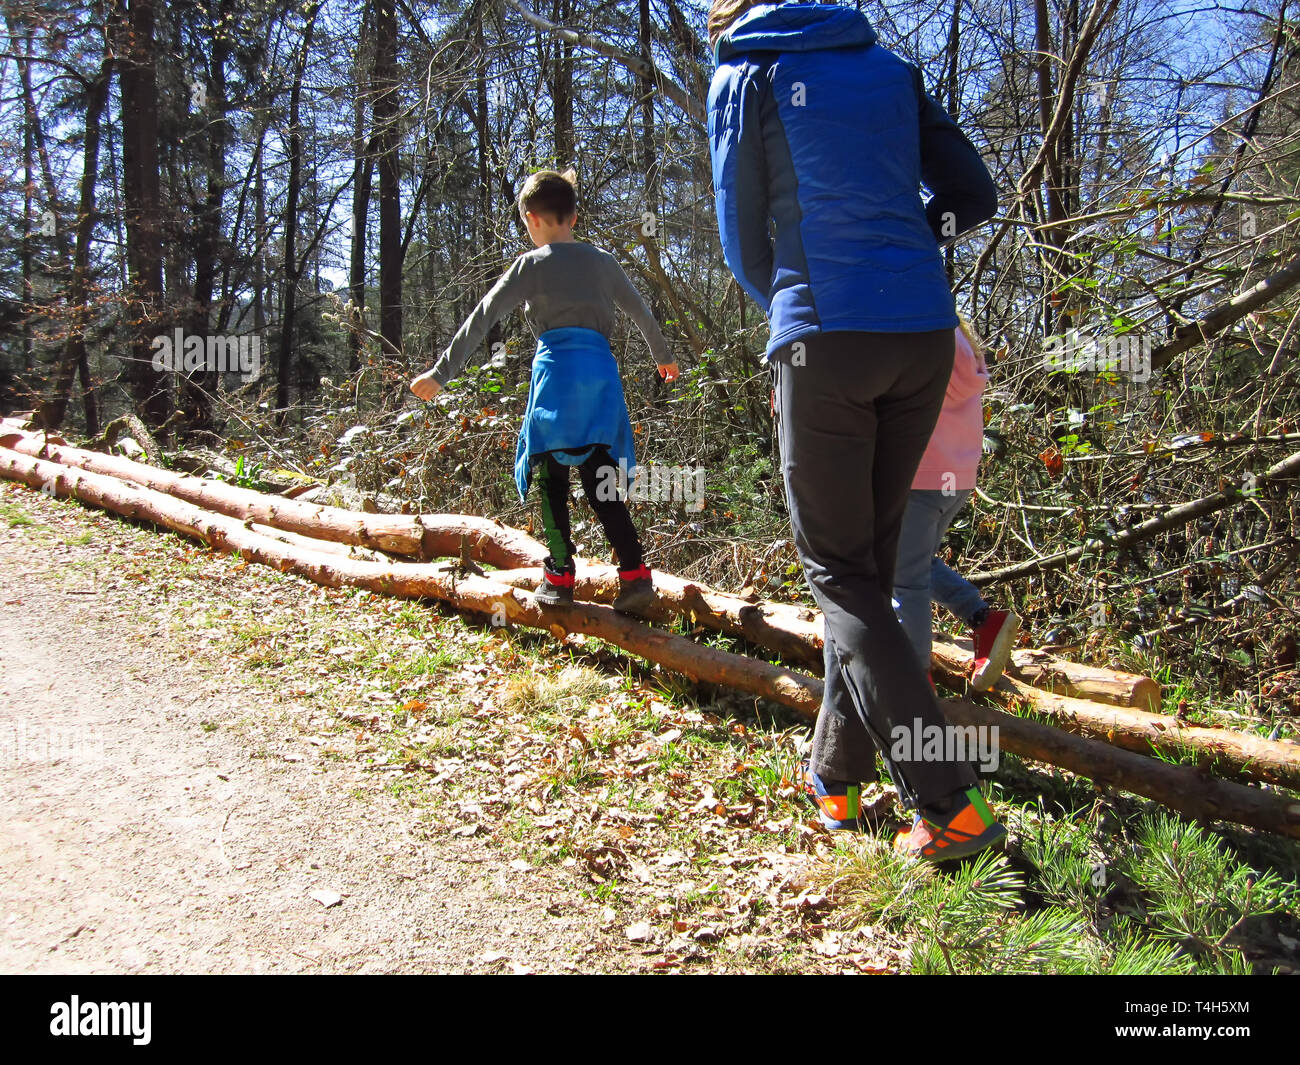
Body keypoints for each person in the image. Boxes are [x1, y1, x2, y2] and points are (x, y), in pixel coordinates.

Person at [707, 1, 1004, 860]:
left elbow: (740, 243)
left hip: (825, 336)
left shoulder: (745, 74)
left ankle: (951, 804)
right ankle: (836, 775)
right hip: (921, 337)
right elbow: (973, 195)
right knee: (865, 574)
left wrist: (796, 319)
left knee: (839, 574)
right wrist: (913, 242)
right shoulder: (890, 67)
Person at [410, 169, 679, 613]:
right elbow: (640, 311)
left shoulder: (530, 266)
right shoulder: (604, 262)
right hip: (599, 379)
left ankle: (559, 578)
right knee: (602, 478)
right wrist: (663, 356)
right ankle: (634, 578)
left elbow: (482, 316)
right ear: (573, 216)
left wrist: (440, 374)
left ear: (532, 219)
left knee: (549, 477)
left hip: (556, 378)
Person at [895, 317, 1021, 690]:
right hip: (956, 480)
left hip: (922, 477)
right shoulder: (960, 344)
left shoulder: (921, 333)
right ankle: (985, 619)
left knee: (906, 579)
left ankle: (913, 683)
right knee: (917, 563)